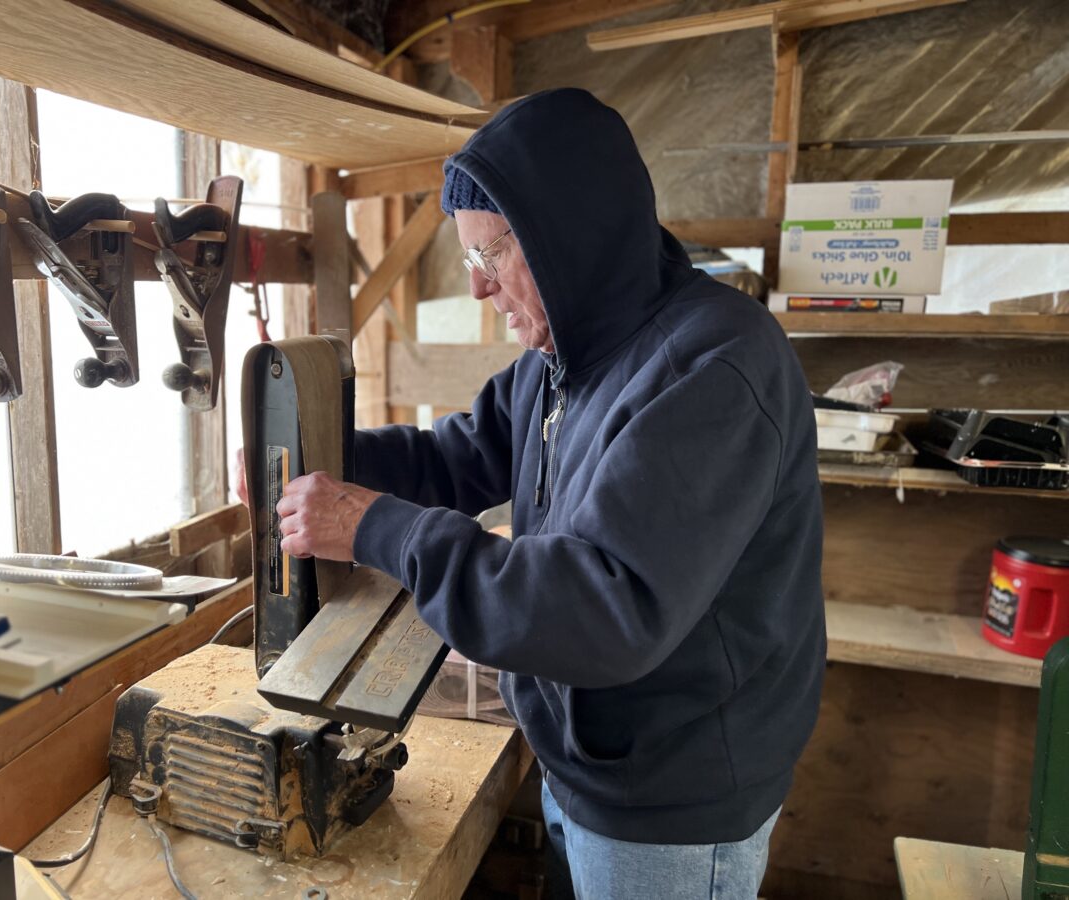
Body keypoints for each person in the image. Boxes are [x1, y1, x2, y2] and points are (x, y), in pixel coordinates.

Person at [274, 88, 826, 899]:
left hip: (674, 792)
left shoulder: (711, 368)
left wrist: (376, 530)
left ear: (569, 238)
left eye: (489, 257)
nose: (478, 290)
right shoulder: (566, 358)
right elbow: (455, 459)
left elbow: (603, 607)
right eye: (471, 262)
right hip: (587, 755)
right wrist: (316, 453)